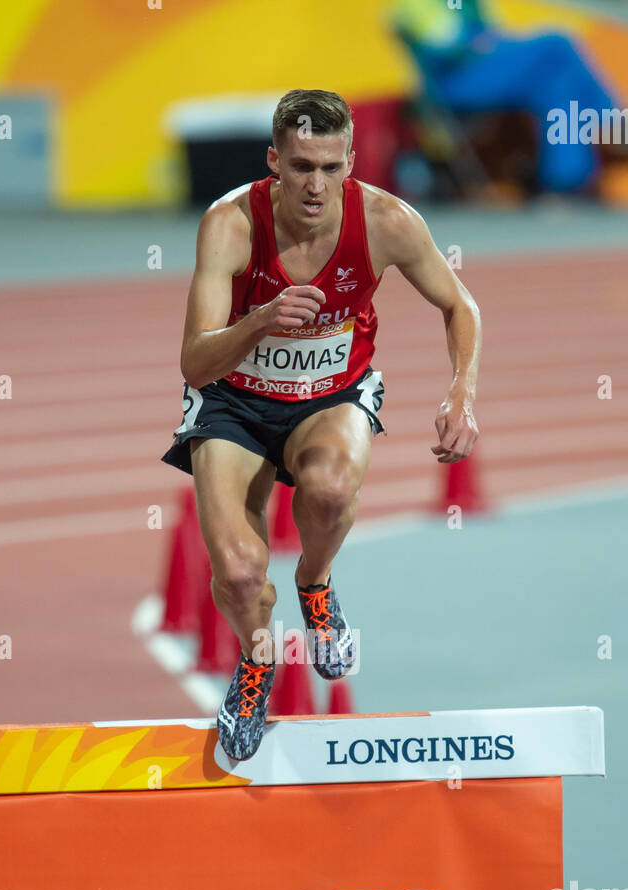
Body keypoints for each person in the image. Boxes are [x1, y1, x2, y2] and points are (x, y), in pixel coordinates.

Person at [163, 88, 481, 761]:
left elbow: (460, 306)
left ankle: (315, 584)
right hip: (234, 403)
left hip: (331, 396)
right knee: (244, 573)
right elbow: (194, 363)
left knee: (331, 491)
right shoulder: (230, 224)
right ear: (273, 159)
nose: (316, 185)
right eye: (302, 166)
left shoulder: (389, 221)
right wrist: (257, 322)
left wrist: (461, 391)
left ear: (352, 162)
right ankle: (255, 667)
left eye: (331, 168)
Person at [391, 0, 628, 199]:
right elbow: (449, 47)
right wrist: (485, 42)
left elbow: (490, 35)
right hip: (458, 85)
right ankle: (613, 119)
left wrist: (489, 42)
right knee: (557, 44)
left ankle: (567, 180)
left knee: (556, 86)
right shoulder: (415, 5)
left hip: (487, 69)